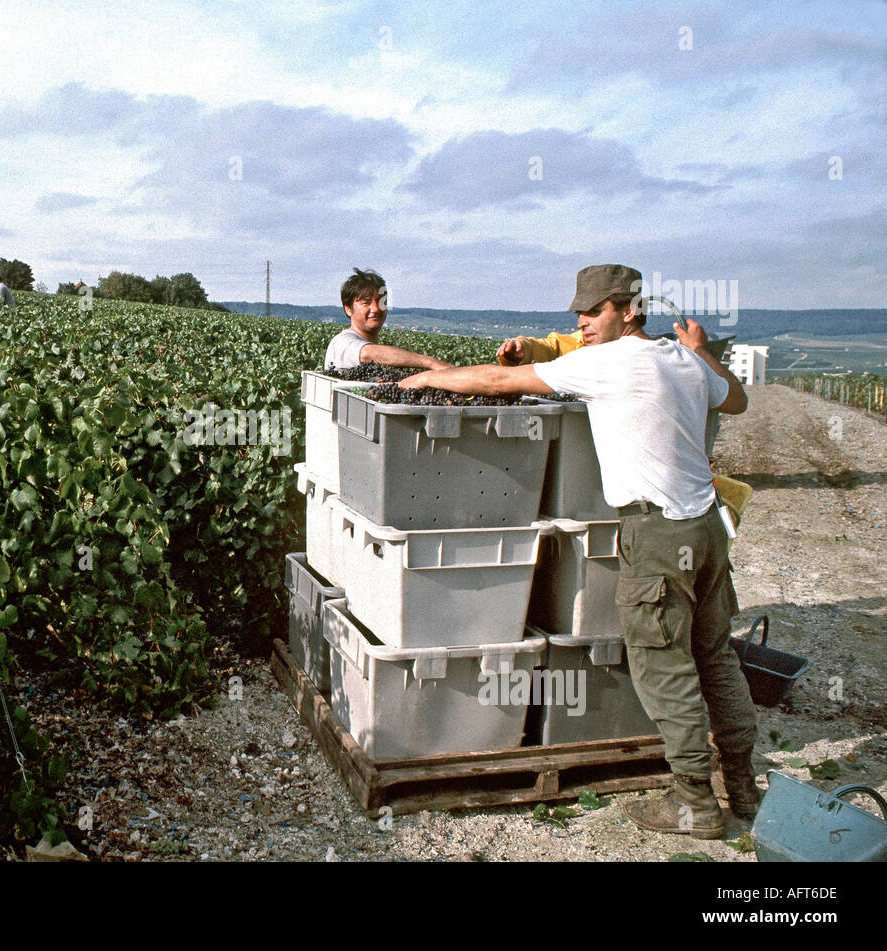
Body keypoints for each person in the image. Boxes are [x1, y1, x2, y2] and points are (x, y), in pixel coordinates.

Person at [397, 264, 758, 840]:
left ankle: (694, 803)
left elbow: (497, 383)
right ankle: (742, 785)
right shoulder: (682, 359)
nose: (583, 323)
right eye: (580, 314)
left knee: (665, 666)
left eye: (594, 312)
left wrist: (421, 384)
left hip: (659, 536)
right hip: (709, 531)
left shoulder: (606, 364)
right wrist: (701, 349)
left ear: (629, 310)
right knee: (715, 656)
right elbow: (735, 399)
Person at [324, 268, 453, 371]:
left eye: (381, 302)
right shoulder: (342, 342)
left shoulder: (371, 344)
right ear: (348, 309)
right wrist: (430, 362)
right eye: (366, 302)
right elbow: (367, 353)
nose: (375, 308)